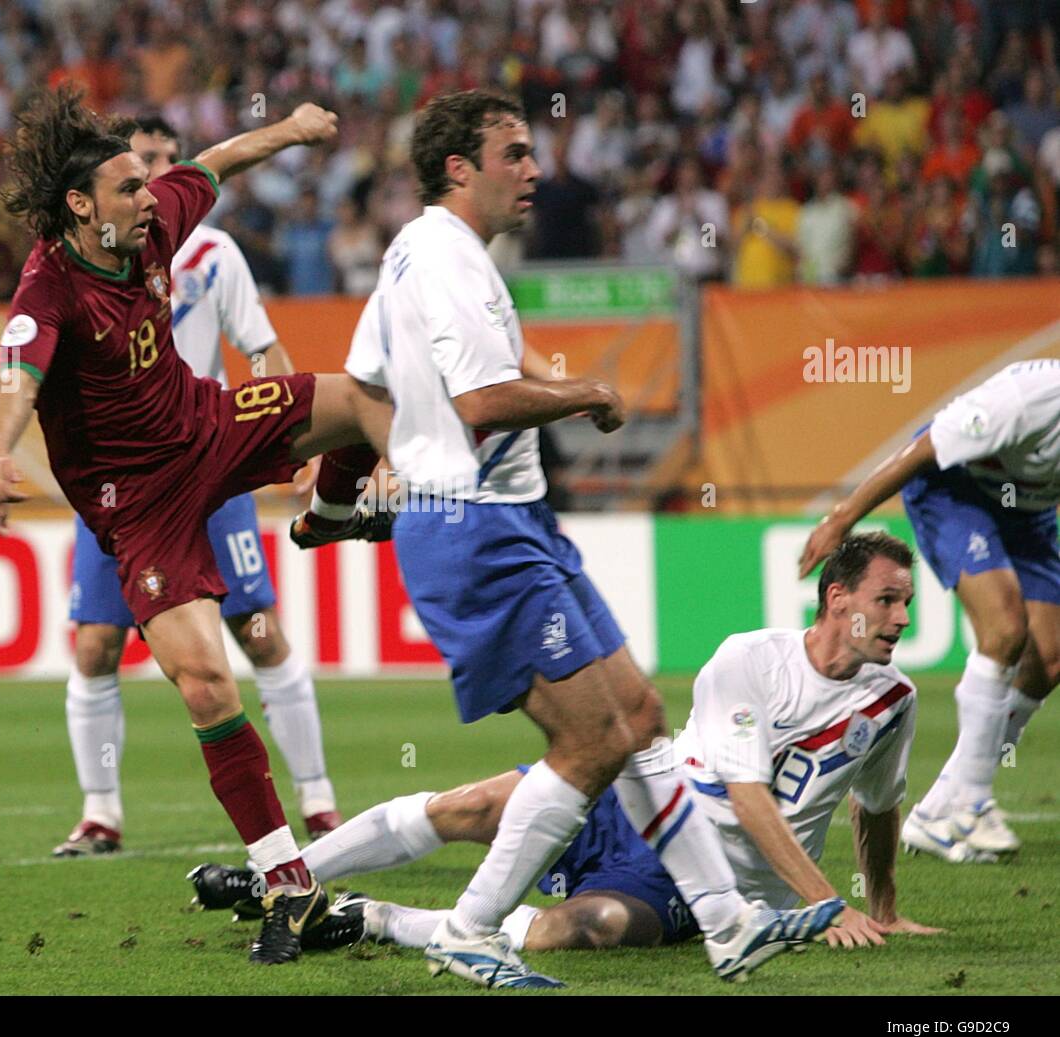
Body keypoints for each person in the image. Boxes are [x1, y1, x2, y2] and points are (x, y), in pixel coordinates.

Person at [321, 89, 841, 989]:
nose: (534, 170)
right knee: (593, 743)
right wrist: (584, 393)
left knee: (639, 717)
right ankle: (471, 927)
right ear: (460, 167)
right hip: (476, 529)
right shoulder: (445, 256)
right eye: (514, 154)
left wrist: (390, 459)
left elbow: (364, 380)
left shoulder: (419, 255)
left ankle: (728, 923)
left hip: (510, 522)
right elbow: (480, 404)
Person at [0, 87, 391, 966]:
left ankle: (328, 517)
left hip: (208, 421)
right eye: (130, 185)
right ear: (82, 205)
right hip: (137, 500)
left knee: (363, 398)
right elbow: (19, 372)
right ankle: (288, 885)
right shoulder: (48, 283)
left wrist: (295, 129)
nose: (150, 193)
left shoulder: (157, 222)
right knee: (205, 680)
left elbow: (220, 161)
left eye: (147, 181)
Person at [193, 533, 937, 956]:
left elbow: (877, 806)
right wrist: (831, 905)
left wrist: (885, 903)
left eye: (906, 602)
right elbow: (746, 796)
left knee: (585, 928)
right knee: (472, 805)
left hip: (701, 882)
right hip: (641, 805)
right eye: (888, 599)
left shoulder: (893, 701)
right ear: (839, 598)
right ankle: (276, 882)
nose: (902, 616)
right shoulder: (749, 658)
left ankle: (372, 916)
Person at [52, 115, 343, 860]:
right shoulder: (73, 270)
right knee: (93, 644)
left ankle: (317, 800)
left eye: (160, 165)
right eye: (137, 166)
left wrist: (291, 435)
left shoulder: (213, 252)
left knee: (260, 634)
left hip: (209, 452)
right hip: (125, 483)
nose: (150, 181)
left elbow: (262, 345)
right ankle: (100, 814)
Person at [800, 359, 1060, 863]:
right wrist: (842, 519)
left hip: (1028, 511)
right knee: (1005, 630)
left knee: (1049, 657)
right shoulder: (1030, 400)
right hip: (953, 489)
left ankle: (942, 804)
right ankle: (969, 802)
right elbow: (922, 450)